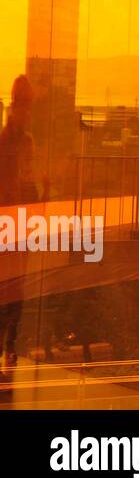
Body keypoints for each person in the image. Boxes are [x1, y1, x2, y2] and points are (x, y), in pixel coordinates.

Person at [0, 76, 36, 370]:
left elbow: (26, 180)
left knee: (12, 284)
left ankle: (8, 344)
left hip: (12, 220)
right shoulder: (16, 141)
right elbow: (27, 181)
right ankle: (9, 345)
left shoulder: (15, 140)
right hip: (14, 220)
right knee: (15, 285)